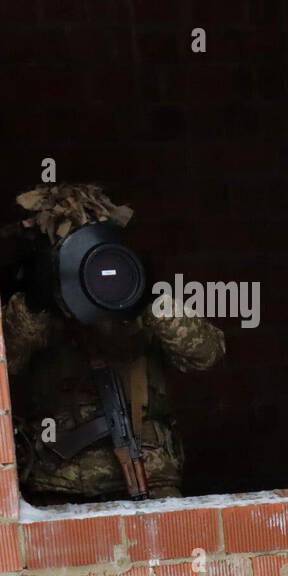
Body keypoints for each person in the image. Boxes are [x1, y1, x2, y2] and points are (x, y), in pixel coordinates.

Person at [1, 184, 225, 503]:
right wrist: (37, 303)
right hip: (58, 484)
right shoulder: (35, 311)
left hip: (150, 477)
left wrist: (146, 298)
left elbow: (207, 355)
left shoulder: (137, 298)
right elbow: (8, 360)